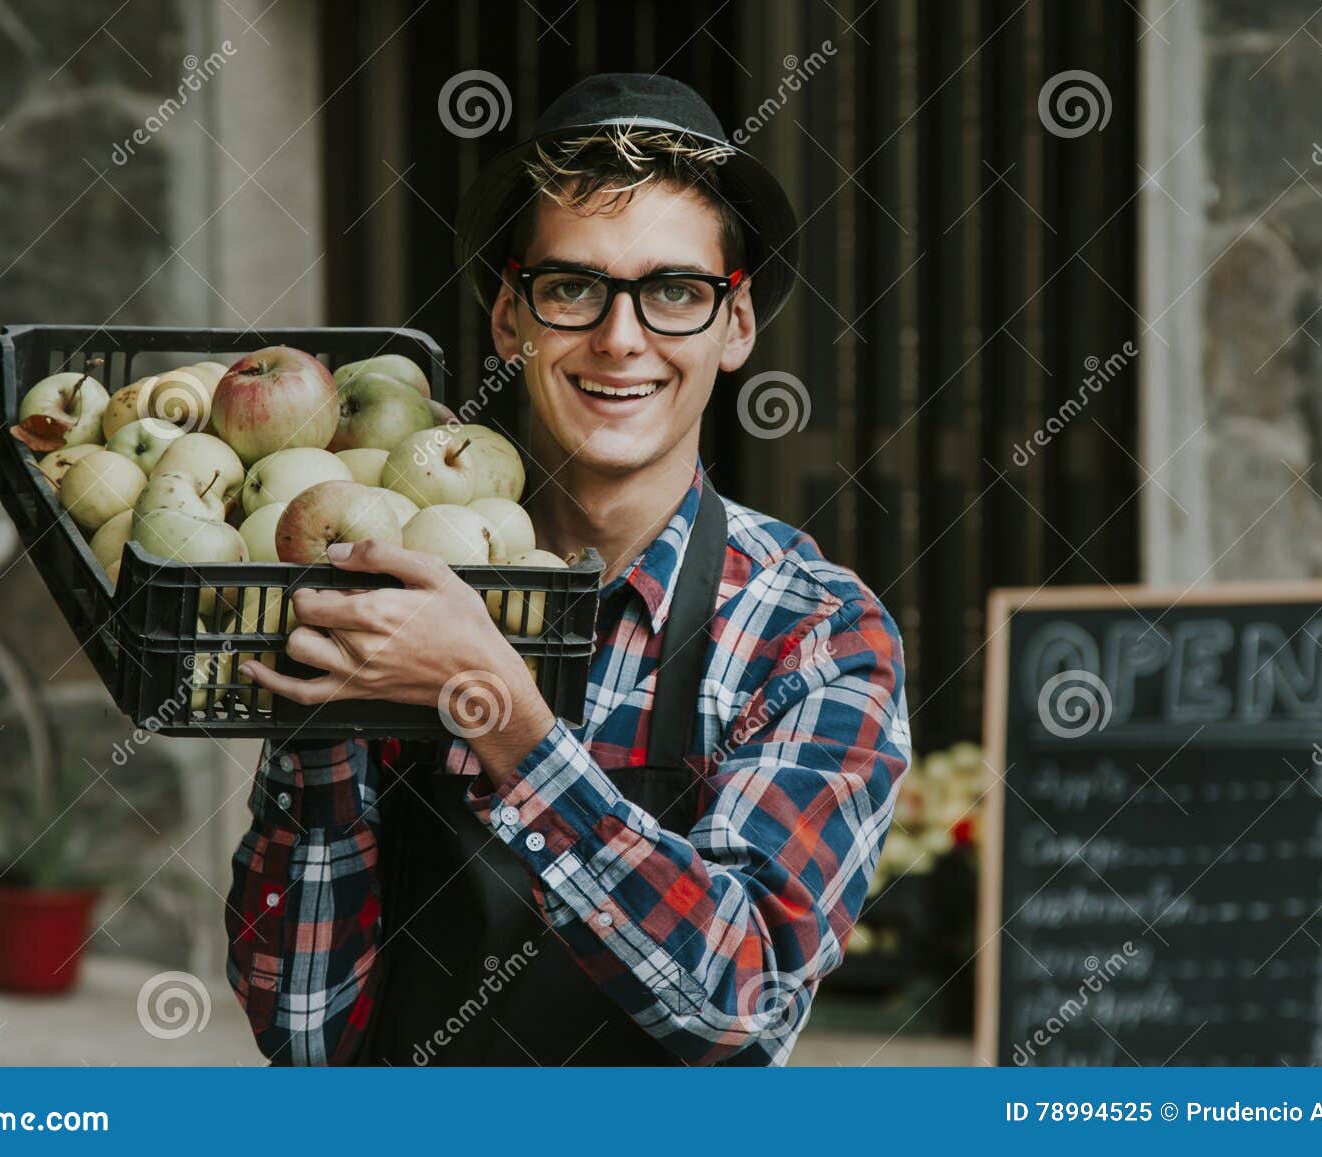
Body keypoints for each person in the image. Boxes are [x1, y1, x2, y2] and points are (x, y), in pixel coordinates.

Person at [226, 73, 910, 1066]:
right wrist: (323, 718)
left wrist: (503, 714)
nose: (620, 336)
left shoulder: (811, 635)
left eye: (674, 290)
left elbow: (741, 997)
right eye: (573, 286)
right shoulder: (390, 584)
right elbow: (305, 1038)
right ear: (511, 318)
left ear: (737, 323)